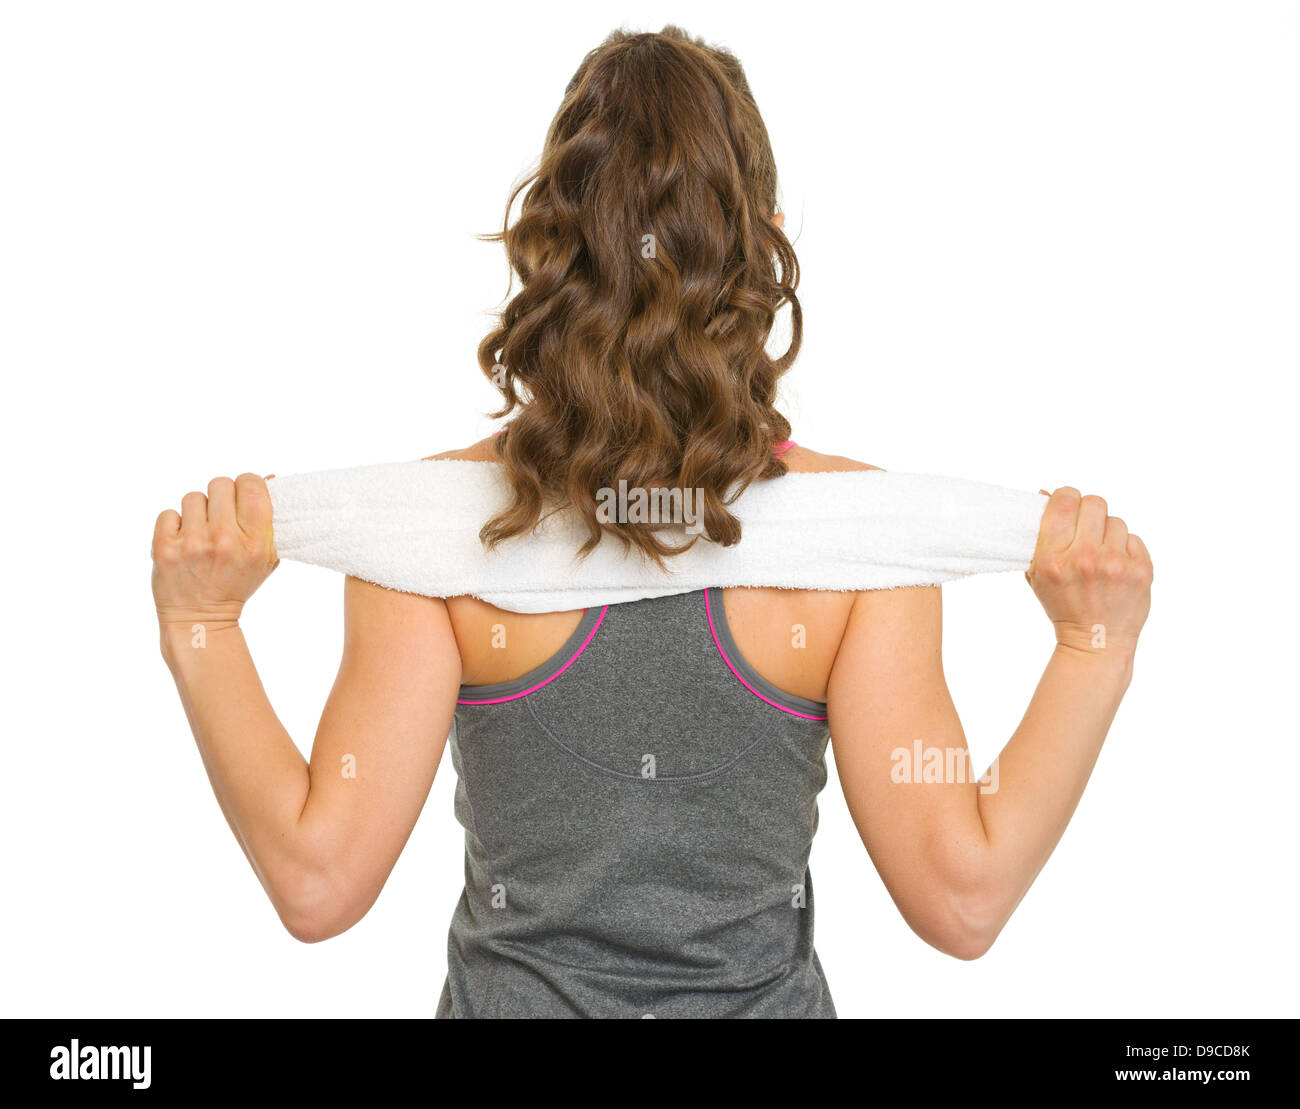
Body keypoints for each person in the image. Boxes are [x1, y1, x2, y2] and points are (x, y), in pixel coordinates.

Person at [151, 27, 1152, 1018]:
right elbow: (962, 897)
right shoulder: (858, 547)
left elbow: (319, 878)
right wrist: (1088, 645)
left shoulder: (436, 538)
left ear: (550, 248)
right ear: (760, 241)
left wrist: (205, 628)